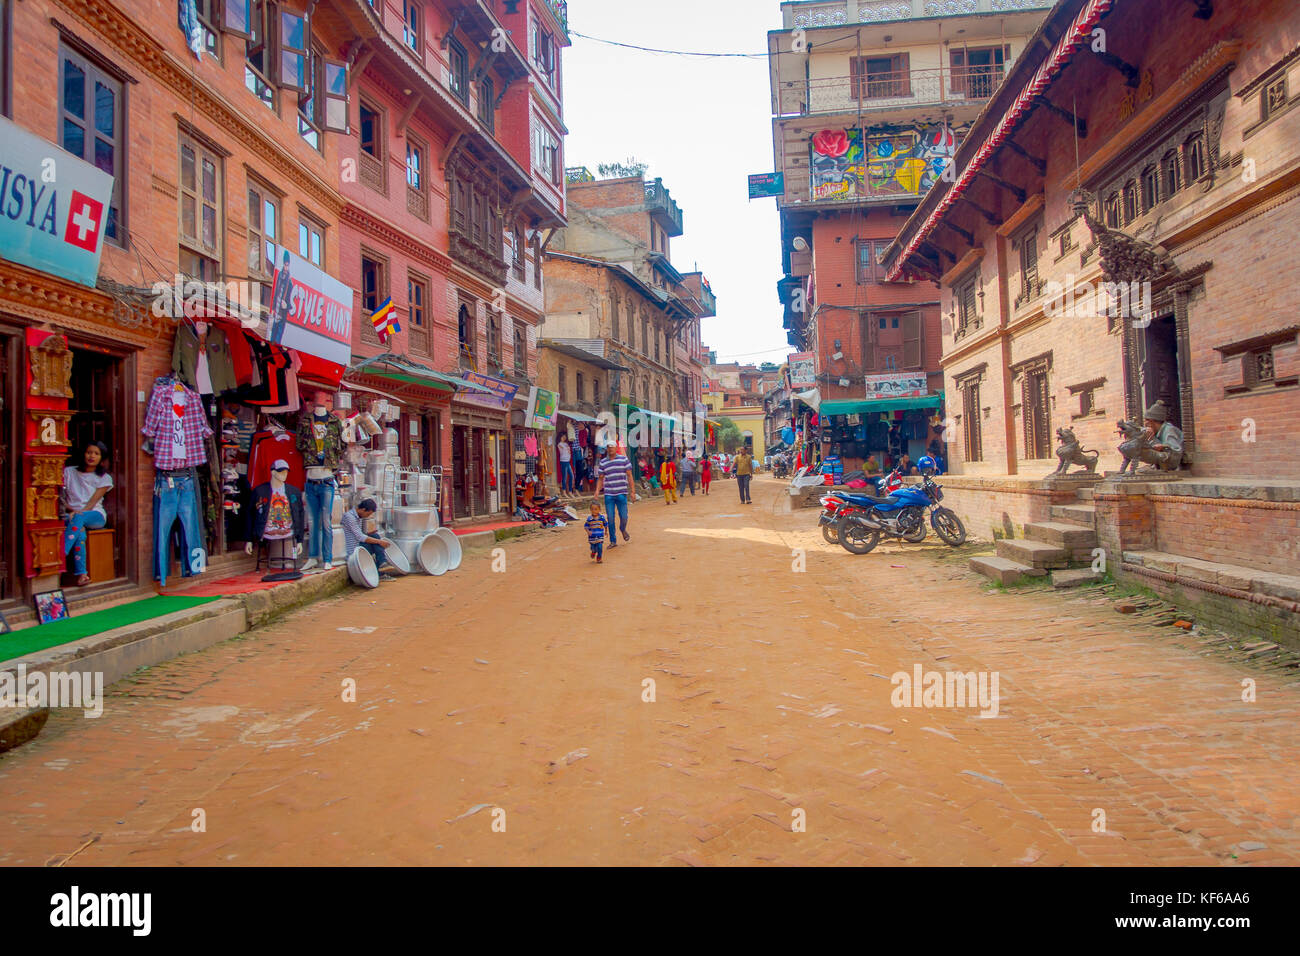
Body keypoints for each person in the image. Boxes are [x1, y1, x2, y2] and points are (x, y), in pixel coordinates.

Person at [62, 440, 113, 587]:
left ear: (101, 458)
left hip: (94, 515)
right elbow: (60, 497)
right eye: (89, 452)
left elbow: (91, 504)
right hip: (72, 515)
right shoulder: (69, 472)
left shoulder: (105, 478)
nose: (92, 456)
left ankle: (62, 553)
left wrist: (77, 514)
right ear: (83, 454)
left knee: (79, 519)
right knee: (80, 532)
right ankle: (82, 575)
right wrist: (71, 511)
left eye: (96, 454)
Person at [340, 497, 396, 576]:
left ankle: (382, 565)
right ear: (363, 509)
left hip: (358, 545)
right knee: (377, 541)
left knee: (374, 536)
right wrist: (379, 541)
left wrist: (370, 536)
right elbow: (360, 537)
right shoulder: (349, 517)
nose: (367, 516)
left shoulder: (358, 517)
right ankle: (382, 567)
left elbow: (358, 534)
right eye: (368, 514)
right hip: (352, 550)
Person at [596, 445, 634, 548]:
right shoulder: (603, 462)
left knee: (624, 517)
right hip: (609, 494)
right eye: (608, 447)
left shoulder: (624, 459)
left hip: (622, 492)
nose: (610, 449)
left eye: (612, 447)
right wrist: (596, 491)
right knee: (610, 518)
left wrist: (633, 491)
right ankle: (613, 541)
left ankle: (622, 529)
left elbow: (630, 475)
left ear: (616, 448)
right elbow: (600, 478)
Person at [1138, 401, 1184, 471]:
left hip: (1172, 463)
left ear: (1151, 421)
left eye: (1146, 421)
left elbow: (1176, 452)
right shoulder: (1154, 431)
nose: (1145, 424)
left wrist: (1162, 446)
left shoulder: (1169, 430)